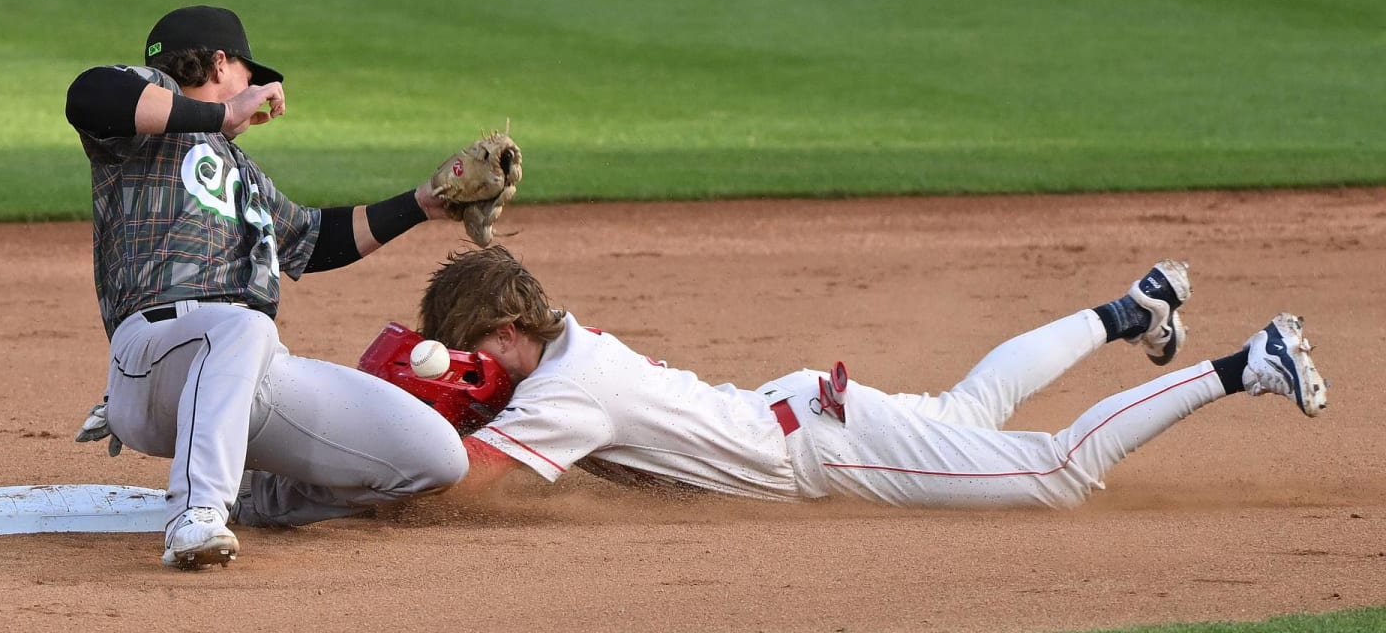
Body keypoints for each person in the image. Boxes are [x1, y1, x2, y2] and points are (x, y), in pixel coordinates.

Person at [64, 5, 502, 569]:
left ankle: (261, 497)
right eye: (248, 73)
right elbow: (90, 94)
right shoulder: (140, 127)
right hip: (153, 360)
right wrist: (219, 113)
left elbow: (314, 239)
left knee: (435, 459)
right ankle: (195, 517)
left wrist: (422, 203)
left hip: (244, 370)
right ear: (220, 63)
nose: (256, 87)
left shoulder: (243, 173)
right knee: (244, 324)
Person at [414, 247, 1328, 507]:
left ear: (505, 330)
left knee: (1055, 474)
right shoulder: (568, 345)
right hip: (805, 412)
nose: (472, 373)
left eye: (473, 354)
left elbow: (466, 484)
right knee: (968, 408)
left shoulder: (568, 390)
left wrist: (382, 478)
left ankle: (1246, 365)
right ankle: (1134, 310)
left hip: (824, 450)